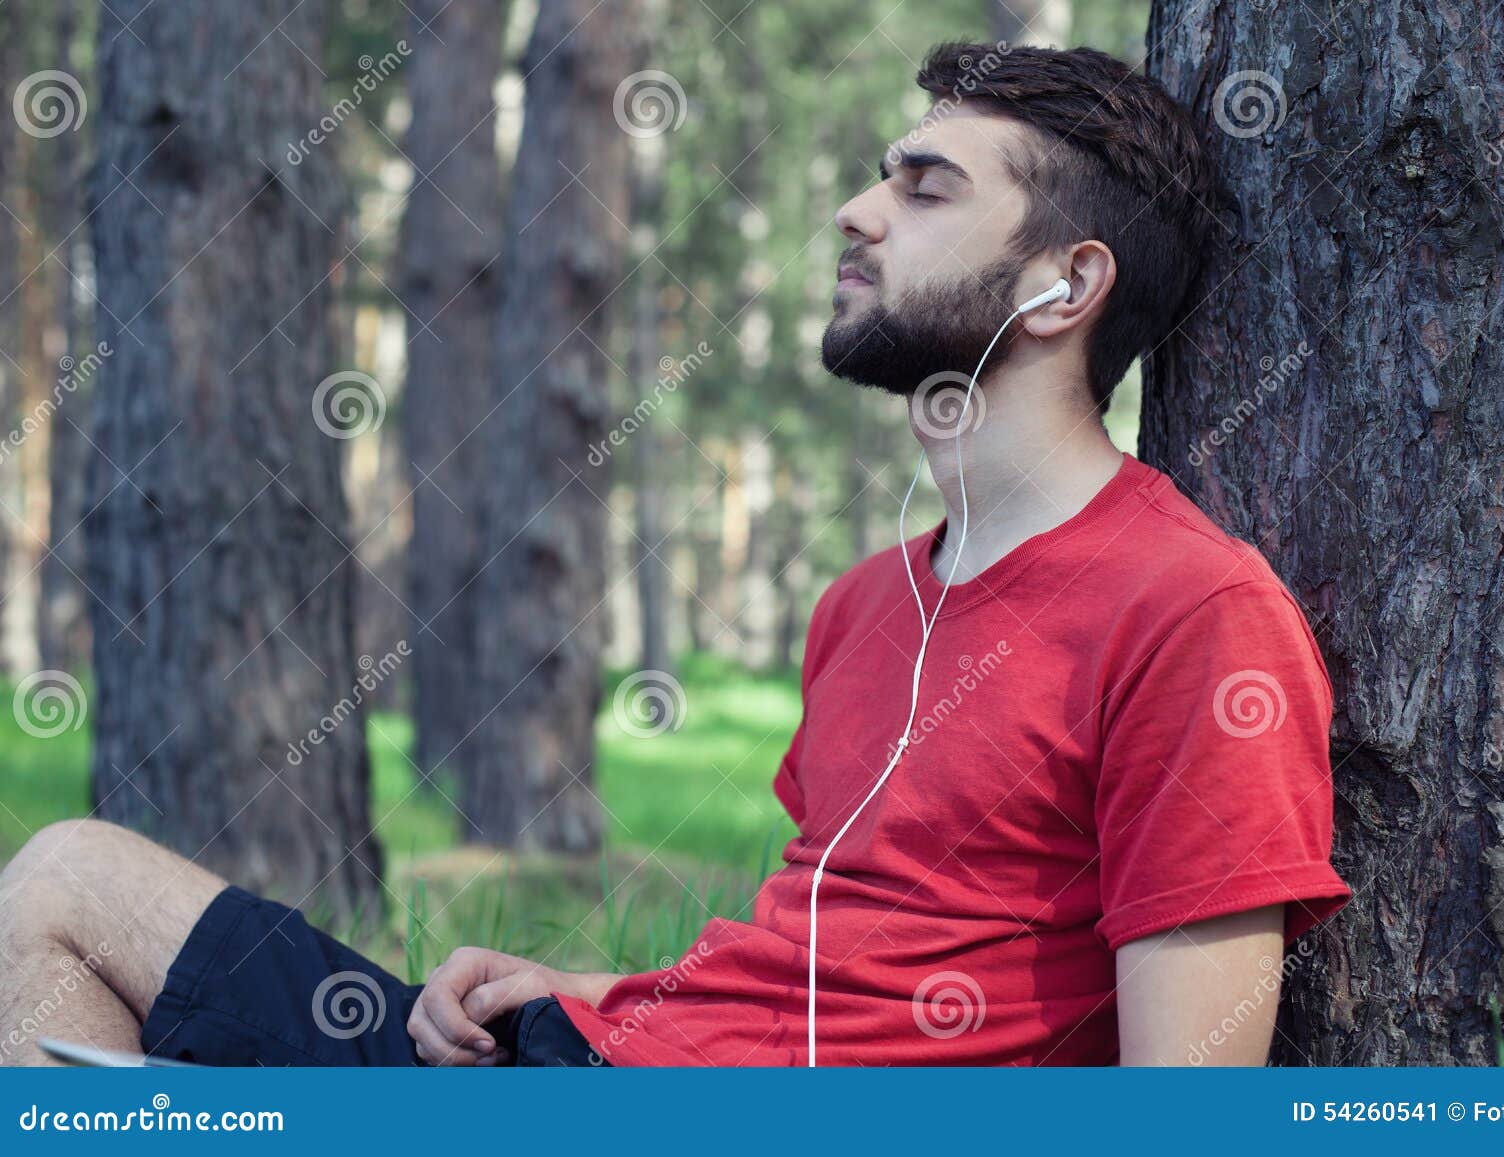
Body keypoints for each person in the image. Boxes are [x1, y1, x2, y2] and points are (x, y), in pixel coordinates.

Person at [0, 41, 1348, 1068]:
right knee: (64, 884)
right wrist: (577, 985)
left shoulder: (1193, 614)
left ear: (1066, 285)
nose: (857, 213)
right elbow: (825, 962)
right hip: (576, 1069)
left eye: (922, 187)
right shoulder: (867, 604)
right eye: (882, 174)